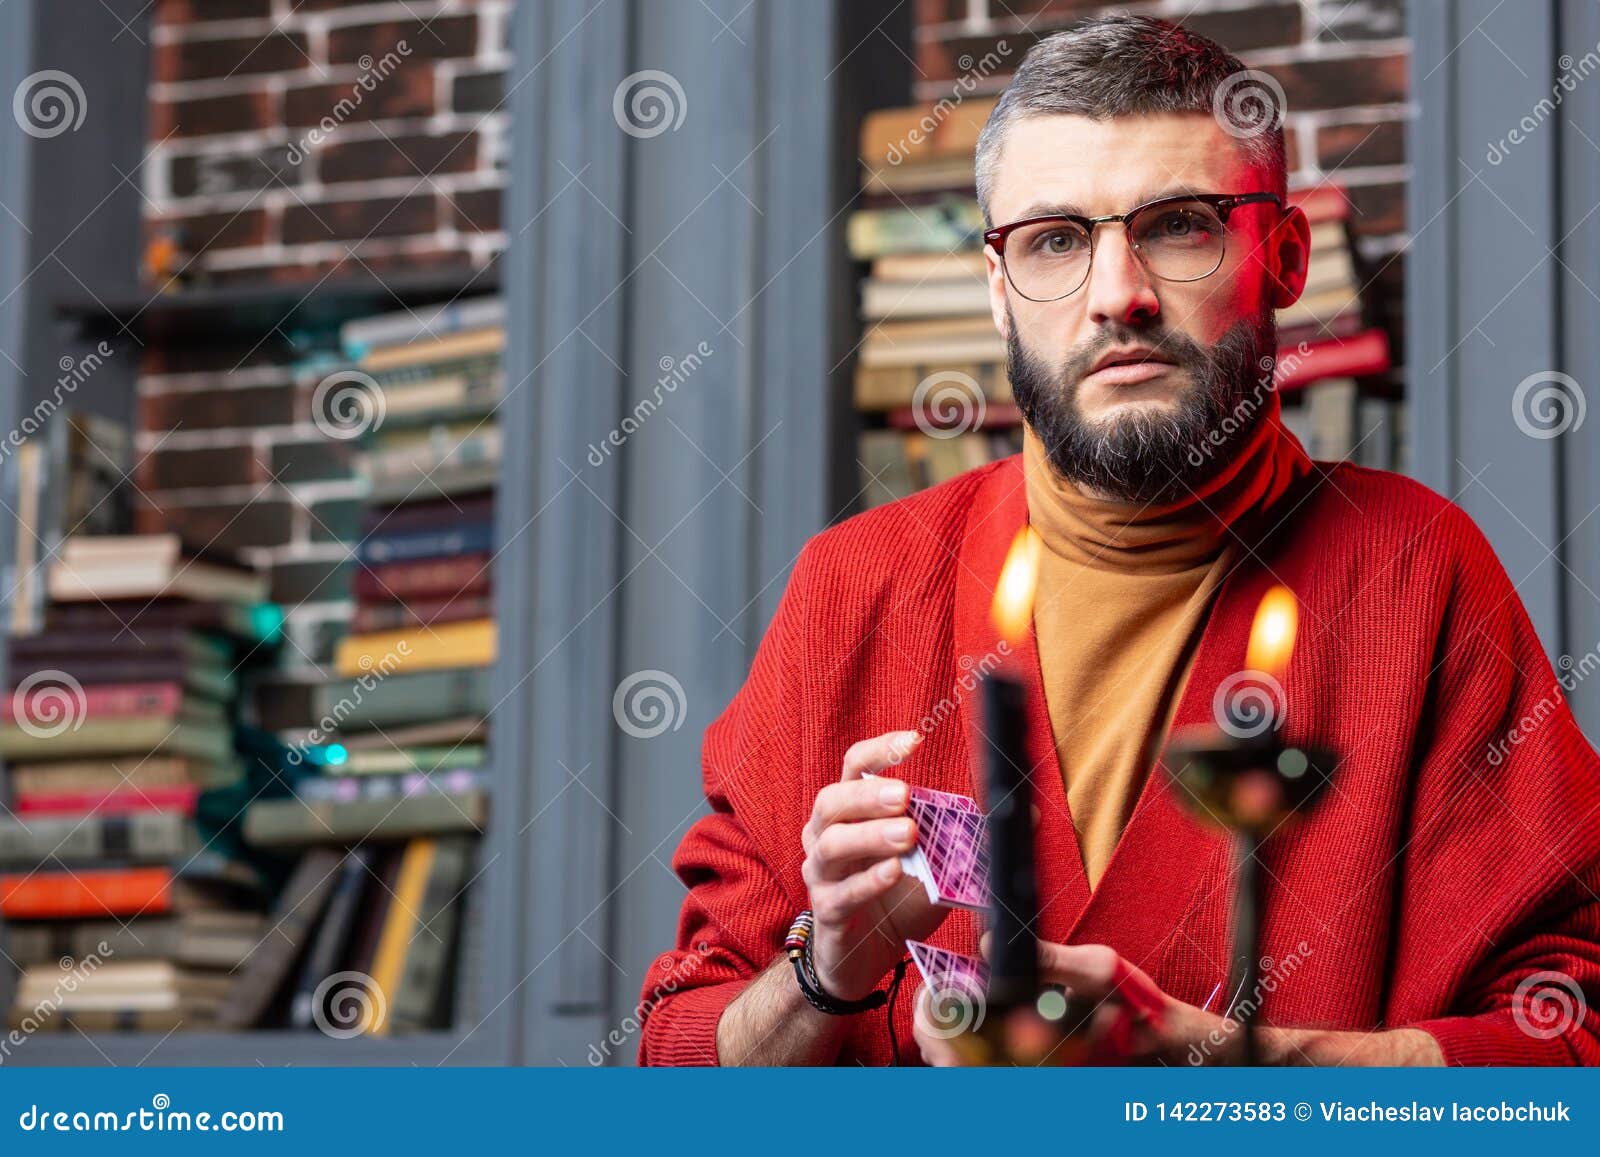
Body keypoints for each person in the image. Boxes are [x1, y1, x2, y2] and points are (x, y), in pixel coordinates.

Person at [637, 14, 1600, 1066]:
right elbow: (680, 1063)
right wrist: (826, 970)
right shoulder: (852, 586)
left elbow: (1566, 1042)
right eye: (1053, 240)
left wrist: (1206, 1063)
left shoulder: (1417, 569)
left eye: (1179, 225)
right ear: (998, 292)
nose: (1116, 297)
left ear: (1282, 258)